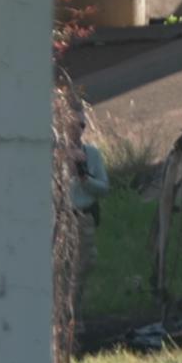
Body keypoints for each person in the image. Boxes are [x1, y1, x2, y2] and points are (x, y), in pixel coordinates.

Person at [68, 109, 110, 336]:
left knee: (85, 264)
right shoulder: (52, 155)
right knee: (61, 271)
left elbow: (104, 188)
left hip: (84, 217)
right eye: (73, 125)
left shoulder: (91, 154)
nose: (78, 130)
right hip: (60, 218)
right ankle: (65, 318)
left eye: (82, 126)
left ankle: (74, 313)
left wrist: (85, 178)